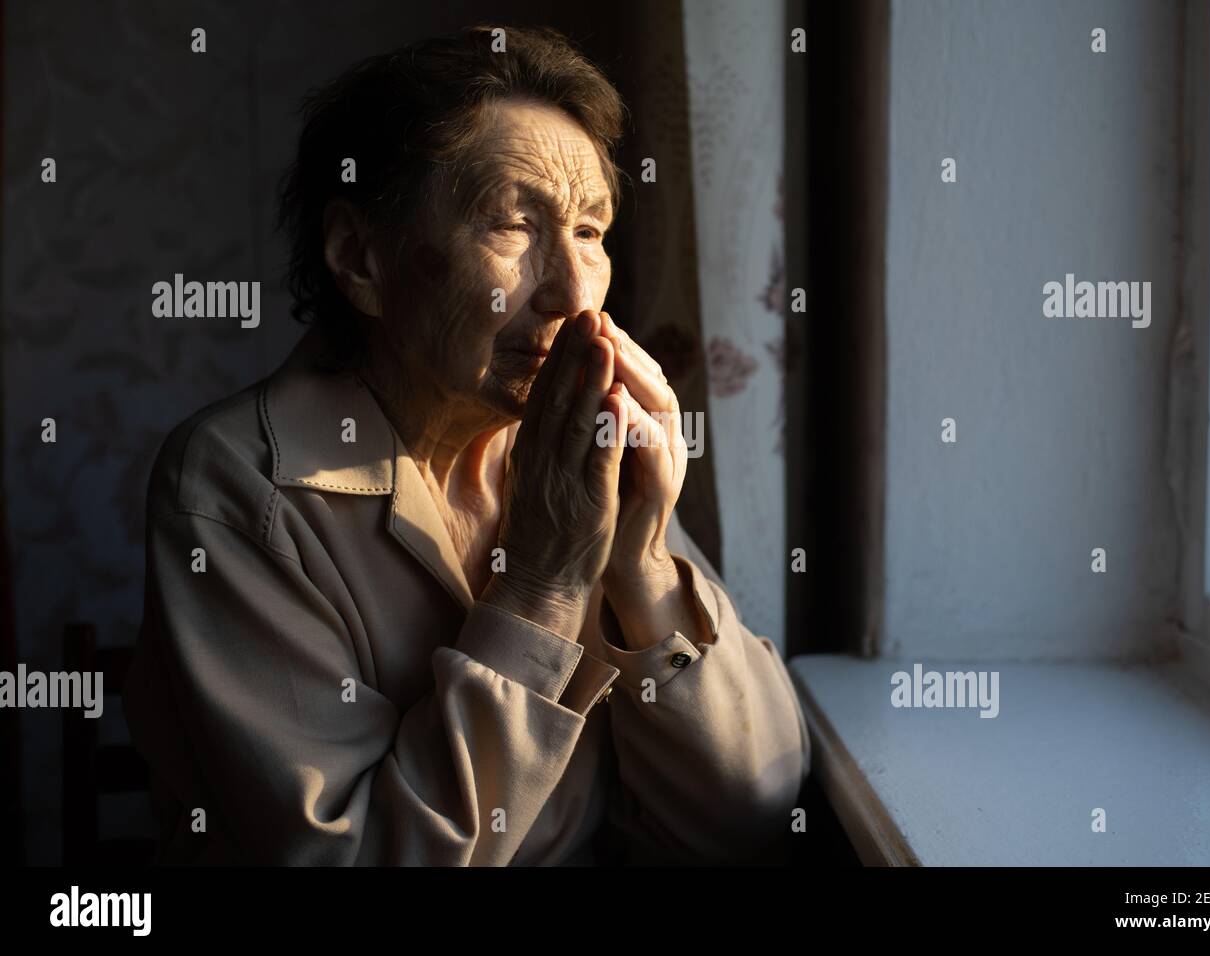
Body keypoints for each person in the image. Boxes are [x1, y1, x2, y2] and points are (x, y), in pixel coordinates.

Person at [124, 24, 810, 866]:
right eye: (514, 224)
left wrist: (641, 564)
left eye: (591, 232)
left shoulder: (575, 449)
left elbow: (753, 810)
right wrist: (545, 584)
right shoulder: (238, 488)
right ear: (359, 258)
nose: (570, 291)